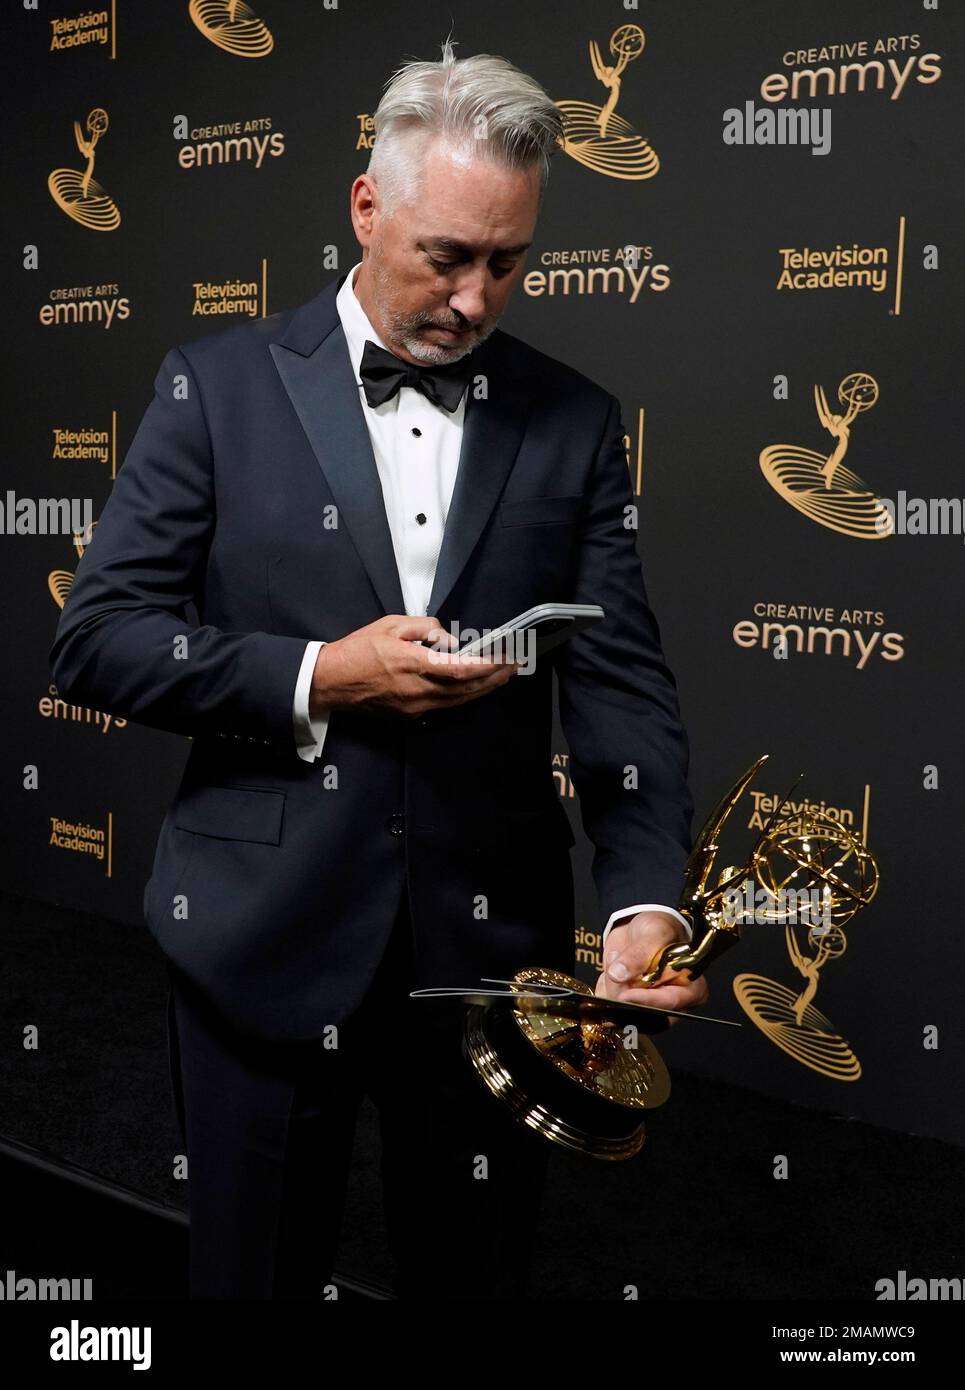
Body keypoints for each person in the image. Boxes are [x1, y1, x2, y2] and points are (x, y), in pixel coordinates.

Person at [49, 39, 707, 1301]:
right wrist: (319, 676)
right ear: (365, 206)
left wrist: (639, 907)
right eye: (444, 256)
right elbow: (99, 635)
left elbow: (621, 686)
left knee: (472, 1281)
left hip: (487, 960)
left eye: (506, 261)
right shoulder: (215, 387)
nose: (474, 299)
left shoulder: (573, 418)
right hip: (256, 934)